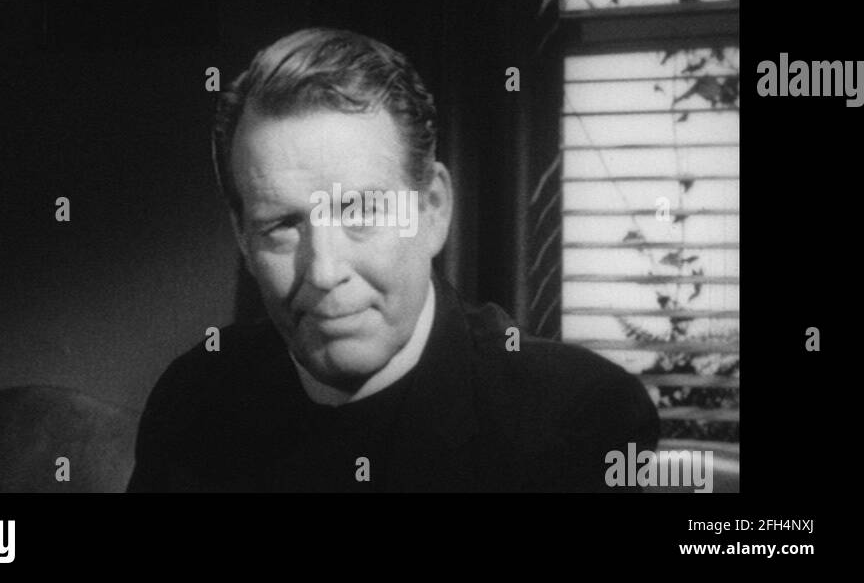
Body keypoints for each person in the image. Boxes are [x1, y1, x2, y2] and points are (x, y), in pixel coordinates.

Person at [127, 28, 659, 492]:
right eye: (283, 226)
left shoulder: (577, 415)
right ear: (243, 241)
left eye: (361, 211)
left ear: (432, 211)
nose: (324, 271)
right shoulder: (192, 399)